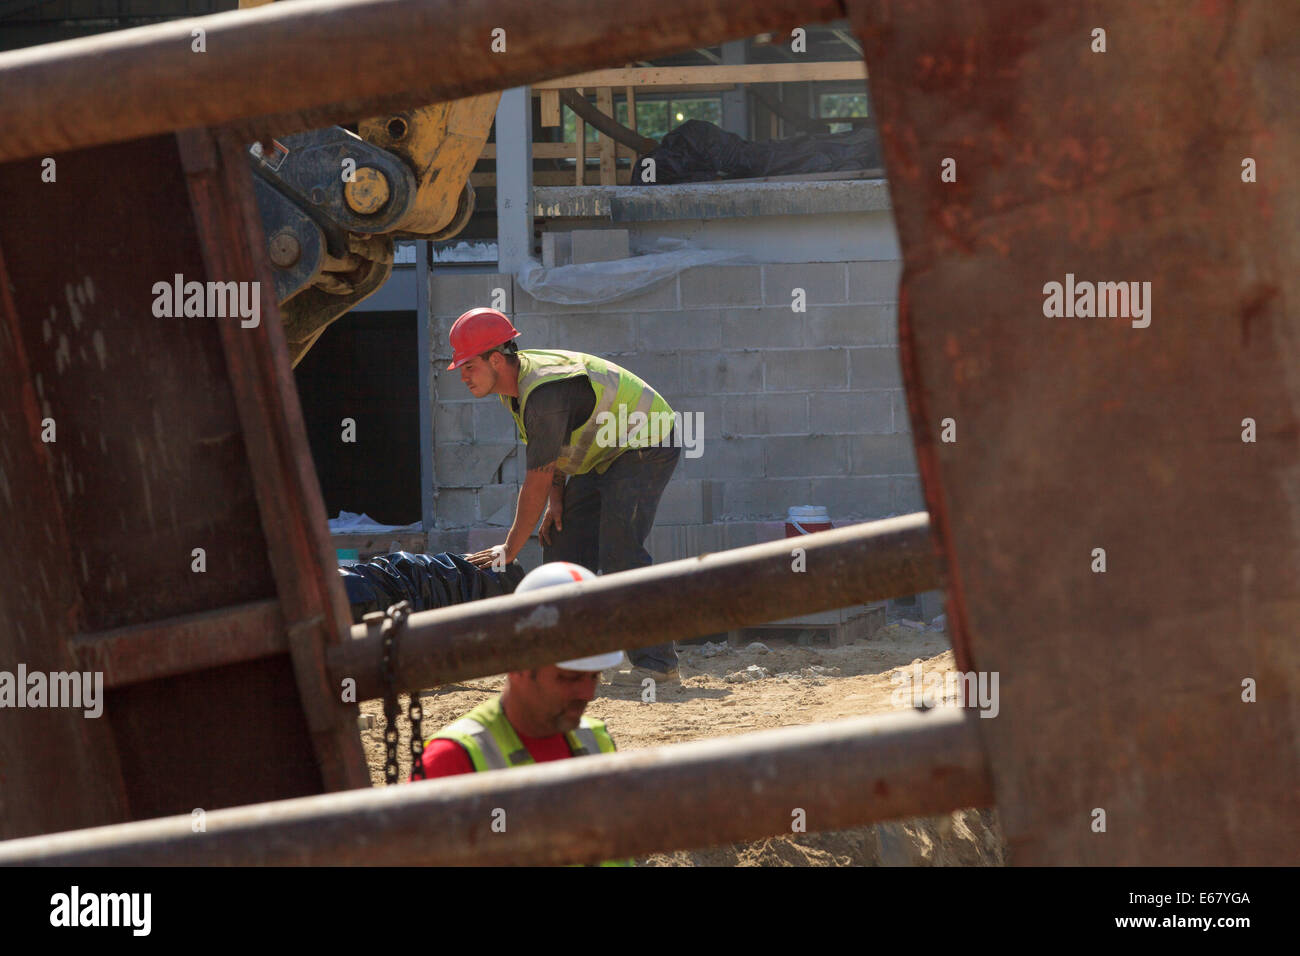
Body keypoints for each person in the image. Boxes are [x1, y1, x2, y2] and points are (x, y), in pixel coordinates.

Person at [450, 306, 680, 683]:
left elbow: (535, 479)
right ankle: (577, 658)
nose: (463, 377)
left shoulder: (544, 392)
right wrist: (557, 502)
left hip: (646, 441)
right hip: (606, 452)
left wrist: (508, 549)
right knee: (560, 540)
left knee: (620, 546)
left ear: (495, 359)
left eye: (469, 367)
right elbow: (551, 455)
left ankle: (658, 664)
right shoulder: (514, 391)